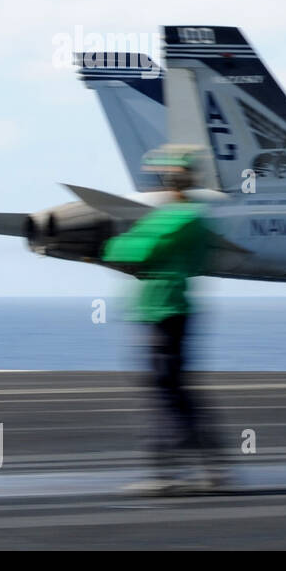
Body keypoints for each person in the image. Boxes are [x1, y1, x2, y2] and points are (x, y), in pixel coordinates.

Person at [101, 148, 226, 494]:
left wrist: (123, 241)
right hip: (162, 311)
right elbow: (133, 247)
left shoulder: (180, 217)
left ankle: (172, 472)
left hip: (165, 312)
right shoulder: (183, 216)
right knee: (173, 392)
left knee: (166, 392)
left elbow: (128, 249)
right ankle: (207, 469)